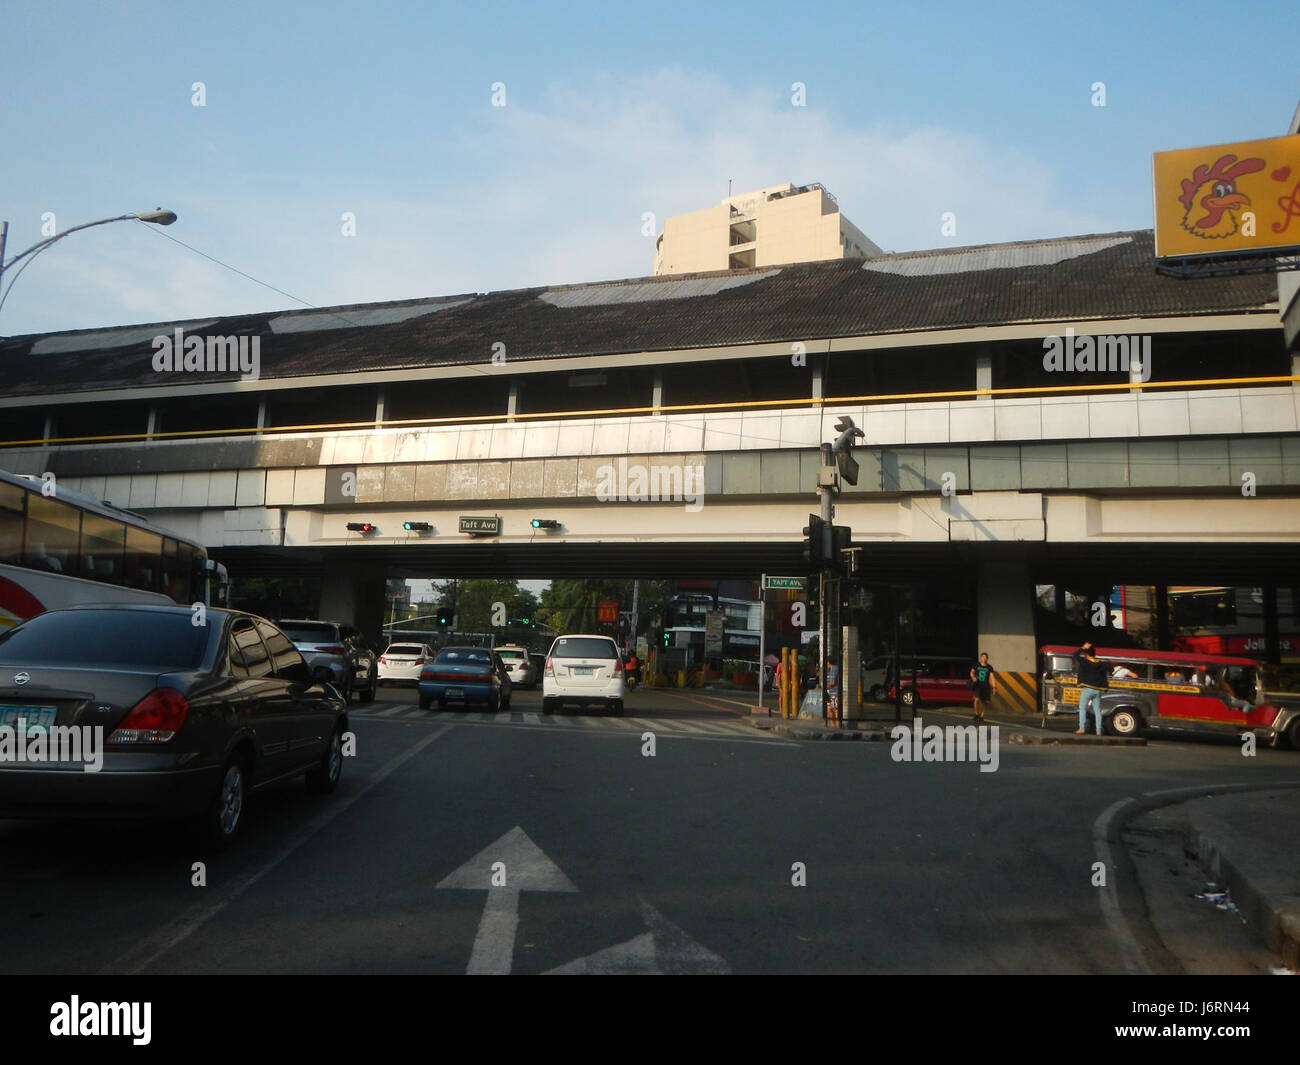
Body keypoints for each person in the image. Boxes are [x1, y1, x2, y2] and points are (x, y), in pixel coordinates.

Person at [1075, 641, 1108, 735]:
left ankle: (1082, 728)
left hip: (1087, 689)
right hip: (1097, 690)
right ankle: (1098, 731)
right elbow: (1110, 669)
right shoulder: (1100, 663)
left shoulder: (1085, 662)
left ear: (1085, 654)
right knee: (1097, 710)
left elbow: (1075, 655)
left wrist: (1082, 648)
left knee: (1082, 708)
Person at [969, 652, 997, 722]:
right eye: (983, 657)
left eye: (985, 657)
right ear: (980, 658)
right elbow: (971, 672)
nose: (984, 658)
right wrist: (973, 677)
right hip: (978, 685)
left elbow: (992, 677)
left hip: (985, 686)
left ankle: (981, 716)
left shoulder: (989, 667)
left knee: (985, 702)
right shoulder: (976, 665)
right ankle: (976, 714)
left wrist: (994, 687)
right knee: (977, 699)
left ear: (987, 659)